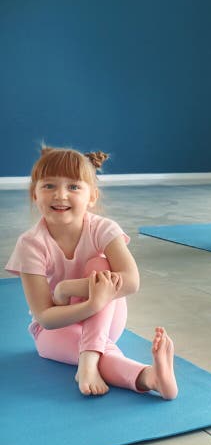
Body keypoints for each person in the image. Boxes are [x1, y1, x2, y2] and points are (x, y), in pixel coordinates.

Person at [5, 146, 178, 398]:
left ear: (92, 196)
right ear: (35, 194)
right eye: (49, 186)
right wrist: (92, 303)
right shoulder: (30, 243)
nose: (60, 195)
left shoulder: (103, 228)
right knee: (99, 350)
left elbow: (131, 282)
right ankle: (149, 377)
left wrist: (67, 289)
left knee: (99, 264)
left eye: (73, 187)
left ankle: (87, 359)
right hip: (56, 329)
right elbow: (45, 317)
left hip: (106, 320)